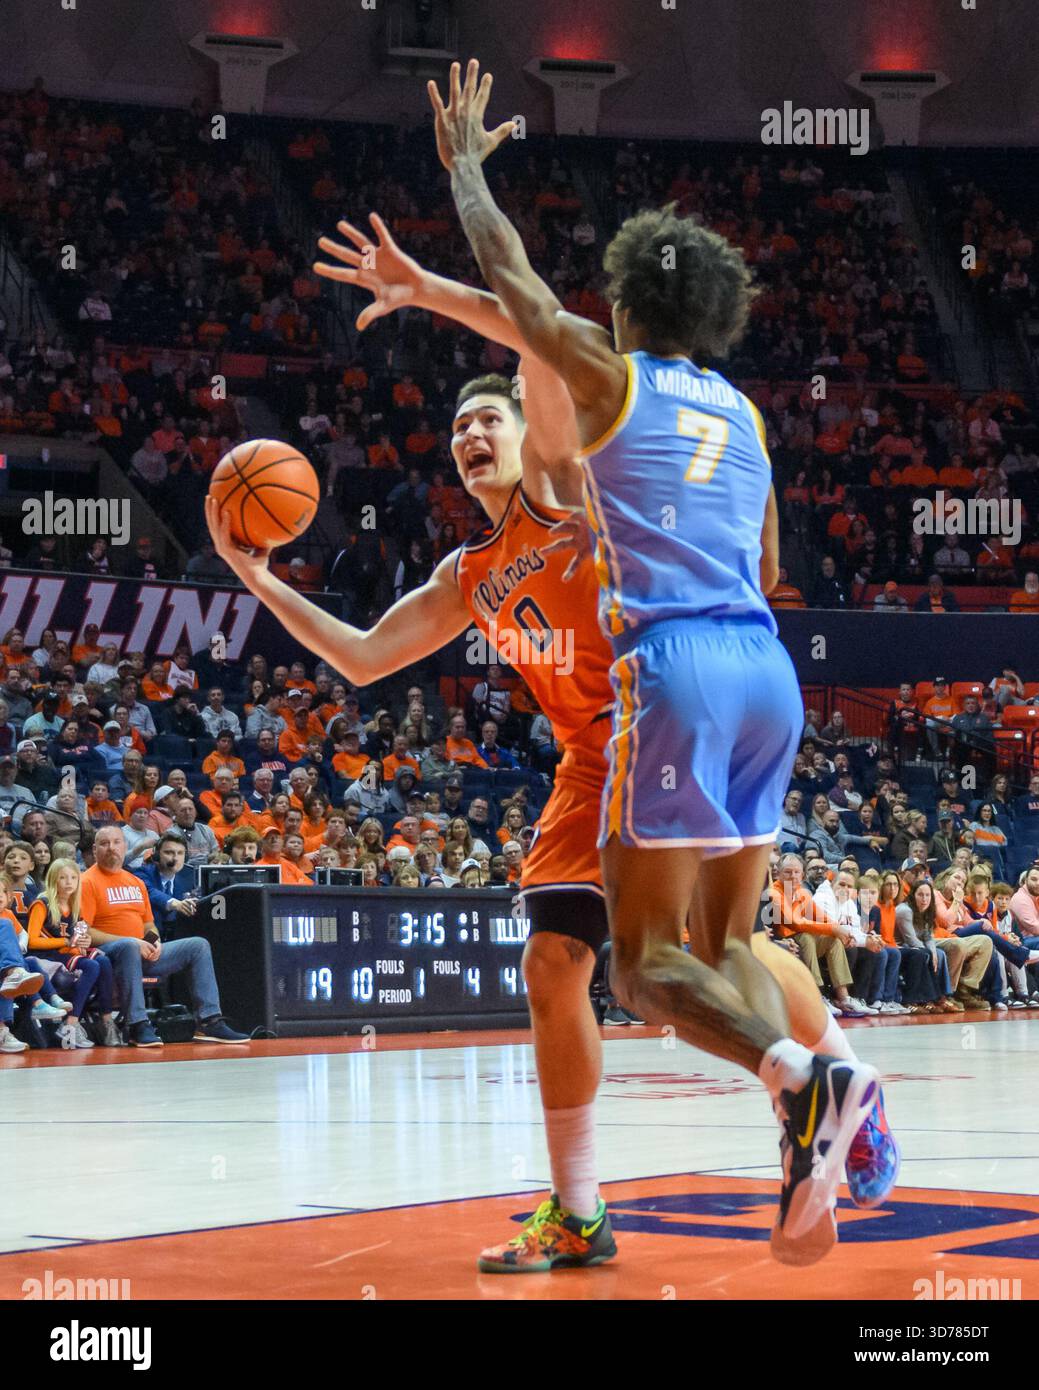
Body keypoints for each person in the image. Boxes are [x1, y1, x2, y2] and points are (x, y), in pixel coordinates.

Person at [420, 59, 882, 1263]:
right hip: (769, 675)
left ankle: (803, 1079)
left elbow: (512, 282)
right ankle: (827, 1108)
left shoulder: (609, 377)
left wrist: (466, 168)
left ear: (625, 306)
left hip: (670, 669)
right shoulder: (745, 413)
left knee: (642, 966)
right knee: (726, 948)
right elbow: (775, 559)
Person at [80, 825, 249, 1047]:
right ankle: (138, 1024)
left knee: (198, 945)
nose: (111, 847)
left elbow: (148, 924)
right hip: (108, 956)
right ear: (94, 849)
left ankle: (209, 1021)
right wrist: (133, 942)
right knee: (129, 947)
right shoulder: (87, 881)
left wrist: (154, 941)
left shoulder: (135, 882)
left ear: (125, 846)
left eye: (116, 842)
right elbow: (86, 932)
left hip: (141, 951)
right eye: (104, 843)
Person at [26, 858, 122, 1048]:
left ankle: (106, 1020)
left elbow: (78, 938)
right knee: (91, 965)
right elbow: (31, 940)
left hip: (67, 952)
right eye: (63, 878)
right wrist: (65, 942)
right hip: (46, 955)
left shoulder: (75, 907)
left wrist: (84, 942)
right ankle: (71, 1022)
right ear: (53, 880)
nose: (69, 882)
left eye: (73, 878)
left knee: (103, 961)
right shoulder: (42, 903)